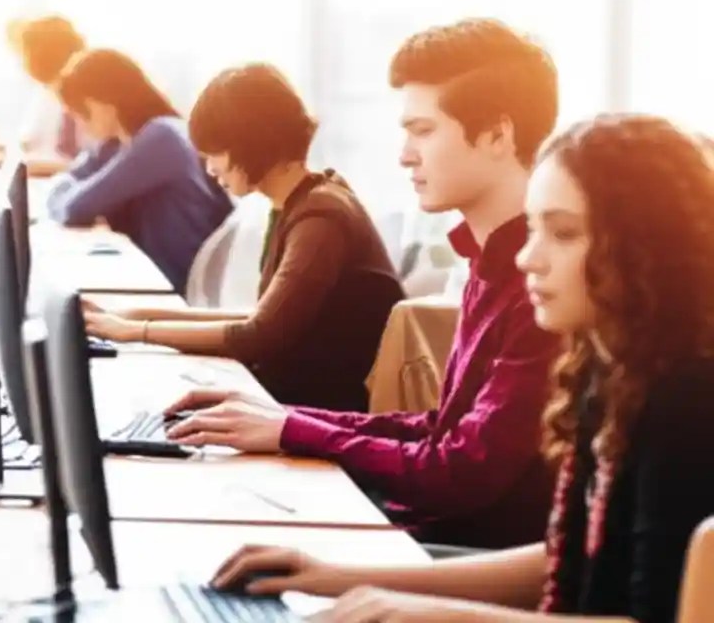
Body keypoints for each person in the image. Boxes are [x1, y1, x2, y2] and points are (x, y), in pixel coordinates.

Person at [208, 114, 714, 623]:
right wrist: (335, 576)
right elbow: (565, 563)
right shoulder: (606, 373)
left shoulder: (687, 401)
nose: (528, 259)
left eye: (563, 233)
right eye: (534, 228)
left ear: (649, 249)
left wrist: (439, 616)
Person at [166, 19, 562, 549]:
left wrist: (292, 430)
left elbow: (461, 471)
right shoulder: (486, 262)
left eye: (423, 130)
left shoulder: (542, 284)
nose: (404, 154)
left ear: (497, 134)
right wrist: (282, 418)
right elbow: (442, 429)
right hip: (423, 528)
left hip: (459, 554)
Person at [84, 64, 403, 410]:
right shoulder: (302, 201)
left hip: (317, 417)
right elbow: (261, 318)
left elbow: (258, 336)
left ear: (250, 141)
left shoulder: (319, 217)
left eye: (215, 152)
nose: (210, 168)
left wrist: (137, 332)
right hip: (289, 403)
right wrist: (132, 316)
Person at [46, 49, 232, 292]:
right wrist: (65, 184)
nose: (80, 123)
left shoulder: (161, 138)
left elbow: (73, 208)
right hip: (148, 275)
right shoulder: (118, 143)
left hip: (175, 285)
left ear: (104, 105)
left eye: (81, 112)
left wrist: (64, 185)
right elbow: (69, 185)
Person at [8, 15, 89, 175]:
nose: (19, 63)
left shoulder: (86, 101)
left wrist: (44, 168)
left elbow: (95, 167)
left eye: (22, 53)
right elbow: (30, 141)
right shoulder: (44, 94)